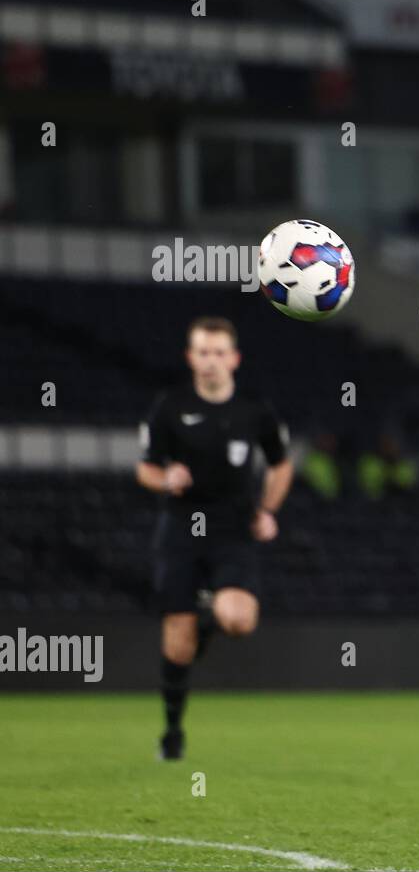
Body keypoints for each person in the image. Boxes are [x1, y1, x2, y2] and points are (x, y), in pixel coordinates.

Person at [136, 317, 292, 760]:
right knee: (177, 640)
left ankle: (208, 615)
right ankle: (172, 732)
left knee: (239, 620)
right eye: (203, 352)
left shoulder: (254, 410)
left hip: (233, 531)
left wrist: (268, 511)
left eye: (219, 352)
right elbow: (144, 468)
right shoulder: (169, 406)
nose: (211, 361)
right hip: (180, 531)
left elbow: (281, 466)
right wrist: (165, 476)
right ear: (191, 358)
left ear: (234, 359)